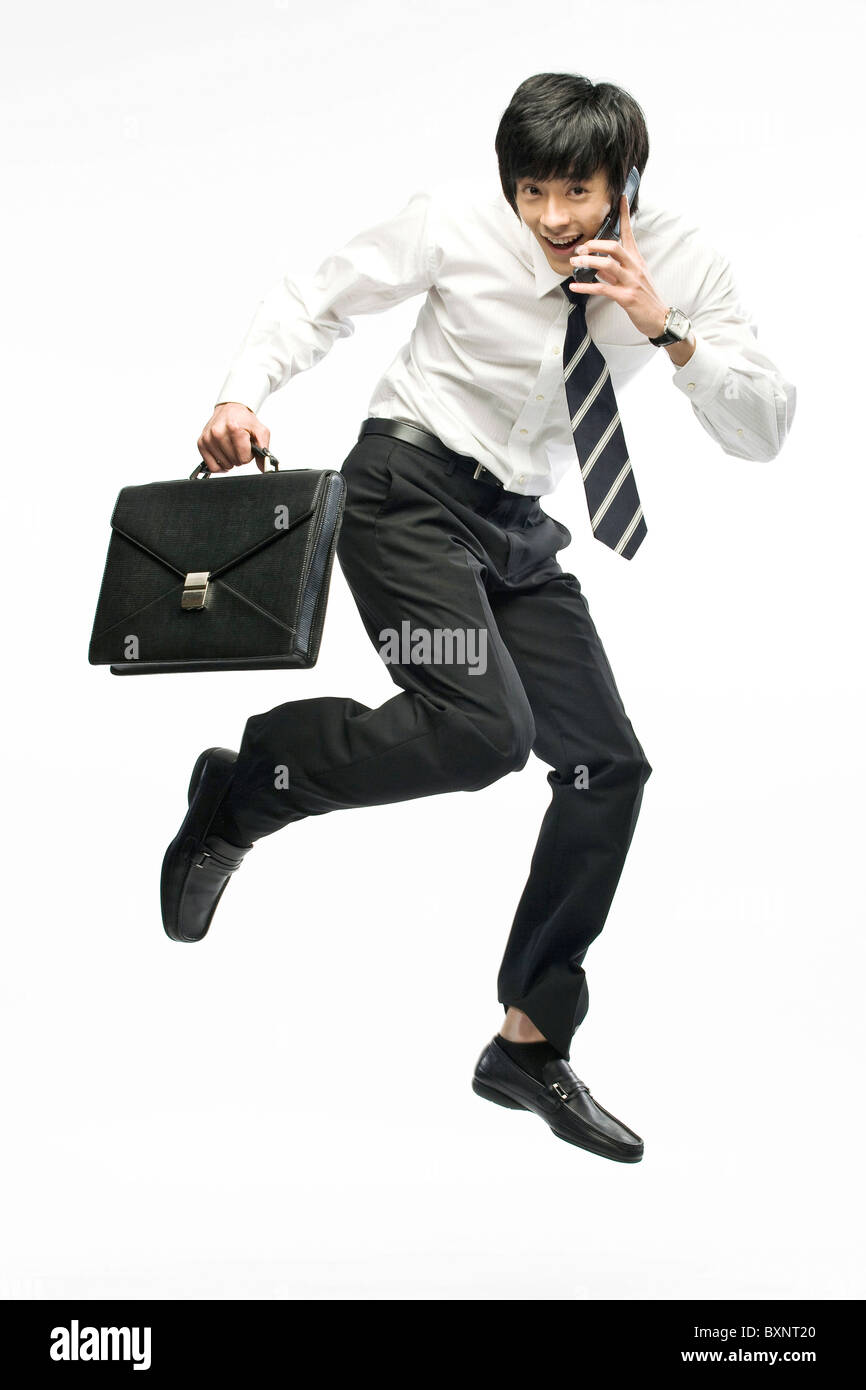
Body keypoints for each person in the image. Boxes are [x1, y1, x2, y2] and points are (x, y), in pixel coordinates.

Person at [162, 72, 796, 1163]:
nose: (551, 219)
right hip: (402, 499)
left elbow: (764, 427)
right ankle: (250, 783)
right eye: (532, 191)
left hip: (517, 530)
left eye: (576, 194)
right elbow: (320, 293)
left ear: (623, 184)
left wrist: (668, 329)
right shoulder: (457, 222)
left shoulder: (683, 264)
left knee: (606, 765)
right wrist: (241, 389)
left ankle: (528, 1039)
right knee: (480, 729)